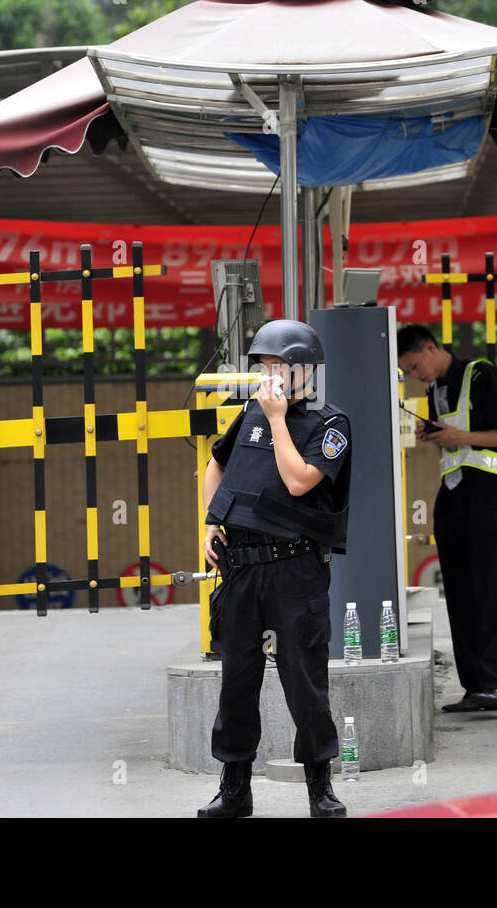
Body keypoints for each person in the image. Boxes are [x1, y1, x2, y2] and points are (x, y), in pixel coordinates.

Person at [198, 319, 351, 818]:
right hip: (242, 566)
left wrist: (279, 419)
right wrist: (212, 520)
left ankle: (320, 788)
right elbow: (216, 464)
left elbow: (300, 480)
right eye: (263, 365)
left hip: (294, 568)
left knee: (304, 680)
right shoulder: (250, 414)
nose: (269, 375)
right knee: (236, 681)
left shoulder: (331, 424)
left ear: (306, 369)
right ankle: (235, 788)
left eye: (278, 365)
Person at [396, 325, 497, 714]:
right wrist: (436, 434)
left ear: (431, 348)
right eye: (409, 371)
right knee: (461, 590)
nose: (416, 376)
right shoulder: (435, 389)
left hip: (489, 494)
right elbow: (456, 438)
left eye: (416, 366)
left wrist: (460, 437)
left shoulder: (482, 375)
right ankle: (477, 686)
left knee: (489, 588)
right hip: (454, 495)